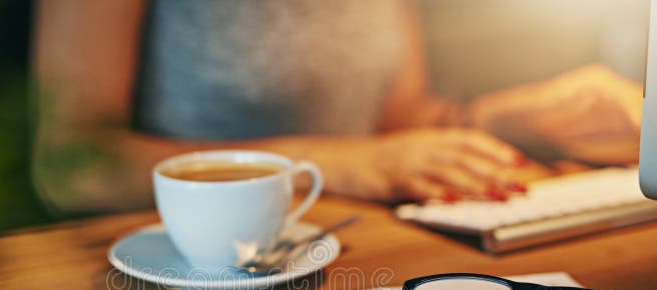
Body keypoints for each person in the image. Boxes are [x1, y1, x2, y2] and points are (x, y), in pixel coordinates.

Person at [33, 0, 643, 214]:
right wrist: (335, 163)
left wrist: (506, 118)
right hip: (194, 270)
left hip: (357, 244)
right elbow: (71, 165)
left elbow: (396, 121)